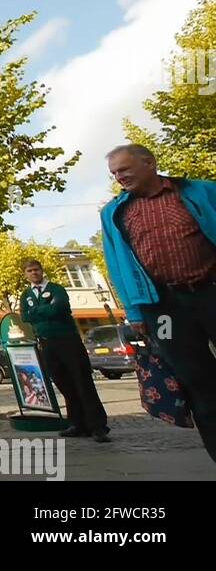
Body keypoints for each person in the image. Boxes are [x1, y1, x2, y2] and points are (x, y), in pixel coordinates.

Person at [100, 144, 216, 461]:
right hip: (162, 306)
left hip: (209, 290)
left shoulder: (199, 191)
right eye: (114, 173)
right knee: (195, 379)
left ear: (149, 163)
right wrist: (134, 310)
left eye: (124, 169)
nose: (119, 177)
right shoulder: (114, 212)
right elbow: (116, 264)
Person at [20, 259, 110, 442]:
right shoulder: (26, 295)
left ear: (42, 270)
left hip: (67, 340)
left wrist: (37, 311)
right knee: (63, 383)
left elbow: (60, 308)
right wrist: (44, 309)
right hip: (45, 342)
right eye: (29, 271)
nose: (33, 273)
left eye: (36, 269)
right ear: (25, 274)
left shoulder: (56, 289)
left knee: (81, 380)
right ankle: (77, 423)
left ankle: (97, 425)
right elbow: (25, 316)